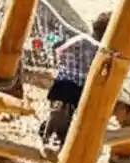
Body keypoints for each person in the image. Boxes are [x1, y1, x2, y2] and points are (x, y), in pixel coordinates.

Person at [39, 12, 110, 148]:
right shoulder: (102, 49)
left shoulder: (79, 39)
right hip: (81, 90)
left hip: (62, 84)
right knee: (70, 123)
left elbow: (58, 48)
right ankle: (62, 145)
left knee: (55, 117)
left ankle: (46, 140)